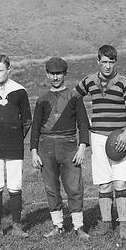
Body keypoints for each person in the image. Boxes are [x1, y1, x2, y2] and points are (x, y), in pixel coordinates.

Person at [75, 44, 126, 241]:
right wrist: (82, 122)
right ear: (98, 61)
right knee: (104, 184)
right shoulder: (89, 81)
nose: (108, 66)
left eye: (111, 62)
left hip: (119, 139)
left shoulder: (125, 83)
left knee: (120, 182)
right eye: (104, 62)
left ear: (115, 62)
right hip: (99, 138)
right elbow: (74, 98)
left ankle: (124, 225)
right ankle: (105, 223)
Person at [30, 56, 90, 239]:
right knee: (51, 187)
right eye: (52, 74)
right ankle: (58, 226)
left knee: (74, 186)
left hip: (69, 145)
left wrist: (82, 148)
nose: (55, 77)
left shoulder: (74, 97)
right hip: (46, 146)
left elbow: (83, 124)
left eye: (59, 74)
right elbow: (35, 127)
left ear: (65, 74)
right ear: (47, 74)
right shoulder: (42, 100)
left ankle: (78, 226)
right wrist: (34, 152)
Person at [0, 54, 33, 238]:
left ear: (8, 70)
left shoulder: (20, 90)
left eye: (0, 70)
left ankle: (17, 225)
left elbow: (27, 119)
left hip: (14, 145)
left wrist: (15, 137)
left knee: (15, 185)